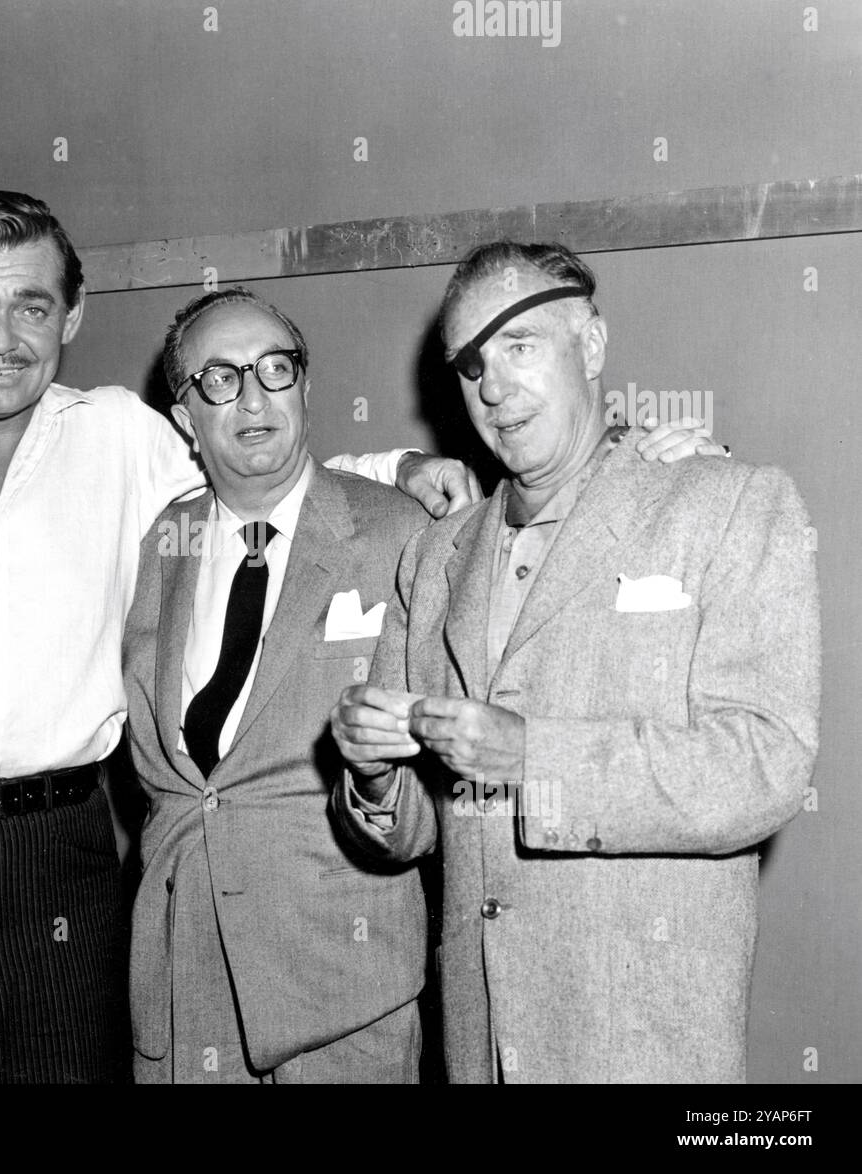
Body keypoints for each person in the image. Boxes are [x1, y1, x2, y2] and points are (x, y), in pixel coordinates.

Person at [0, 191, 480, 1084]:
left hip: (65, 877)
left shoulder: (121, 439)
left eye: (33, 306)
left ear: (72, 315)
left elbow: (260, 476)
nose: (2, 337)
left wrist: (407, 469)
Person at [122, 286, 722, 1083]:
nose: (254, 397)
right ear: (183, 417)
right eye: (220, 379)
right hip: (182, 988)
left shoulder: (409, 532)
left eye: (275, 369)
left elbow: (551, 509)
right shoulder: (157, 541)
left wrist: (671, 465)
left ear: (307, 386)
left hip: (341, 1002)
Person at [330, 241, 821, 1083]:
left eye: (521, 346)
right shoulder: (435, 557)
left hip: (644, 1040)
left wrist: (534, 755)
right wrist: (373, 776)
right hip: (483, 1044)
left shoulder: (727, 501)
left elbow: (766, 766)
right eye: (473, 363)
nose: (494, 386)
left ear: (592, 347)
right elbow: (413, 829)